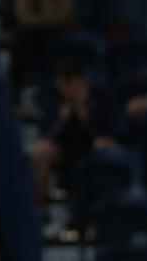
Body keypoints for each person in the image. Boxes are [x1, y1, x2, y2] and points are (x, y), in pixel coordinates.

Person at [29, 62, 117, 205]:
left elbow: (110, 133)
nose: (61, 91)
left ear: (79, 82)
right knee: (41, 150)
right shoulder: (56, 101)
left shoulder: (101, 97)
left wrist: (85, 118)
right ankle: (39, 207)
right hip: (66, 150)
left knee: (102, 144)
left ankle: (105, 202)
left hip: (92, 148)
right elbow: (47, 136)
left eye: (64, 86)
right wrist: (61, 119)